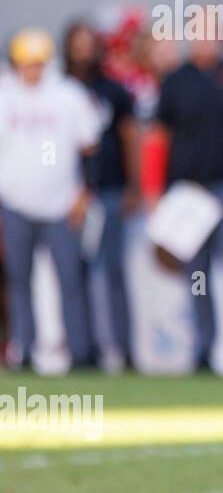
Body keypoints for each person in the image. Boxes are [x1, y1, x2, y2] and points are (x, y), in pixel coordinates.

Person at [153, 21, 223, 373]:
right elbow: (159, 137)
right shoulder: (176, 81)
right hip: (189, 191)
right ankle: (204, 349)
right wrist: (154, 188)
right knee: (197, 272)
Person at [0, 29, 102, 370]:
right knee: (18, 279)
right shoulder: (4, 94)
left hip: (62, 203)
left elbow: (89, 147)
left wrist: (84, 193)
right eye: (26, 64)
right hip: (14, 201)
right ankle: (24, 350)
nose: (32, 71)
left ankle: (80, 351)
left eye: (38, 64)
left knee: (71, 279)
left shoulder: (68, 95)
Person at [64, 21, 138, 370]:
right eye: (77, 44)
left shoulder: (114, 90)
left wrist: (134, 184)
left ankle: (123, 349)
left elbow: (129, 138)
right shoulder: (59, 91)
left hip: (108, 189)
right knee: (74, 273)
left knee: (113, 271)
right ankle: (83, 349)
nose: (84, 52)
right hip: (66, 196)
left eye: (89, 44)